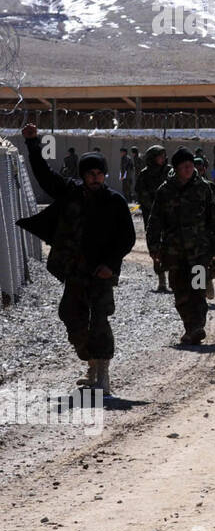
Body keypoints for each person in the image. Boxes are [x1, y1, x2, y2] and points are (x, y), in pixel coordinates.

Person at [17, 124, 135, 394]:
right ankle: (91, 362)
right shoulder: (71, 193)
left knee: (100, 319)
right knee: (71, 315)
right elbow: (44, 176)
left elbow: (126, 238)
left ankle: (103, 375)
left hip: (101, 272)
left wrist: (111, 265)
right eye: (90, 174)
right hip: (75, 270)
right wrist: (33, 143)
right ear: (83, 176)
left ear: (104, 175)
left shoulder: (115, 202)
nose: (95, 178)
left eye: (99, 173)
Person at [147, 148, 215, 346]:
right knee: (180, 290)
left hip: (199, 252)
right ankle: (189, 327)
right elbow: (155, 221)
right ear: (177, 168)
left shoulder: (203, 188)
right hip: (174, 253)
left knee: (198, 290)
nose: (189, 169)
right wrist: (154, 247)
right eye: (184, 166)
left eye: (191, 165)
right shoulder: (165, 191)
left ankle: (197, 326)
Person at [134, 145, 170, 293]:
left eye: (163, 155)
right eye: (159, 156)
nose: (162, 158)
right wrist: (155, 208)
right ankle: (161, 279)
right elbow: (141, 194)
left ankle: (175, 278)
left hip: (169, 216)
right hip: (152, 217)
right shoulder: (144, 175)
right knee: (155, 247)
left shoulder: (169, 172)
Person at [193, 155, 215, 301]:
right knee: (197, 265)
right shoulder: (184, 188)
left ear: (204, 169)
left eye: (200, 169)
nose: (198, 171)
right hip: (193, 234)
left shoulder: (209, 186)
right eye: (196, 169)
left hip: (209, 232)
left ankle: (207, 280)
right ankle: (199, 295)